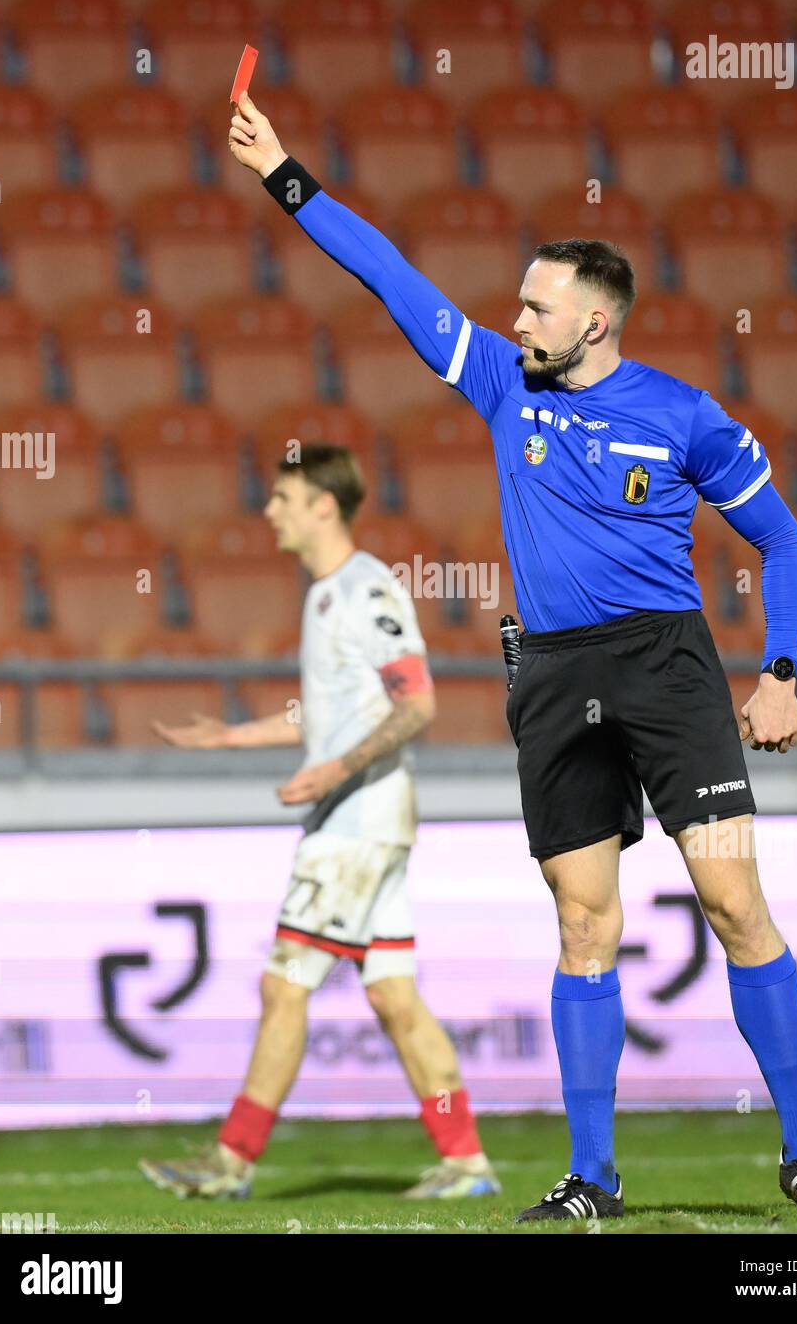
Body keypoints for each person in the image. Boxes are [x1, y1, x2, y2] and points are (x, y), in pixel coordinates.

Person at [224, 91, 797, 1225]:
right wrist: (285, 175)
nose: (513, 318)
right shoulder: (497, 383)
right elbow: (391, 278)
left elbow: (783, 538)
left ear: (595, 323)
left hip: (669, 670)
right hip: (556, 678)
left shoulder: (683, 417)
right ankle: (592, 1177)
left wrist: (780, 670)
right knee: (583, 924)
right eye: (517, 301)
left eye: (536, 305)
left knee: (731, 903)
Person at [139, 445, 499, 1201]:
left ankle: (231, 1160)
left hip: (355, 823)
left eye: (281, 497)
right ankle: (465, 1162)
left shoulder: (365, 590)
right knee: (393, 997)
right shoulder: (326, 594)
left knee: (284, 985)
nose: (268, 510)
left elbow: (417, 703)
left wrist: (337, 771)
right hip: (368, 816)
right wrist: (233, 735)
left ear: (322, 506)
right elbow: (333, 716)